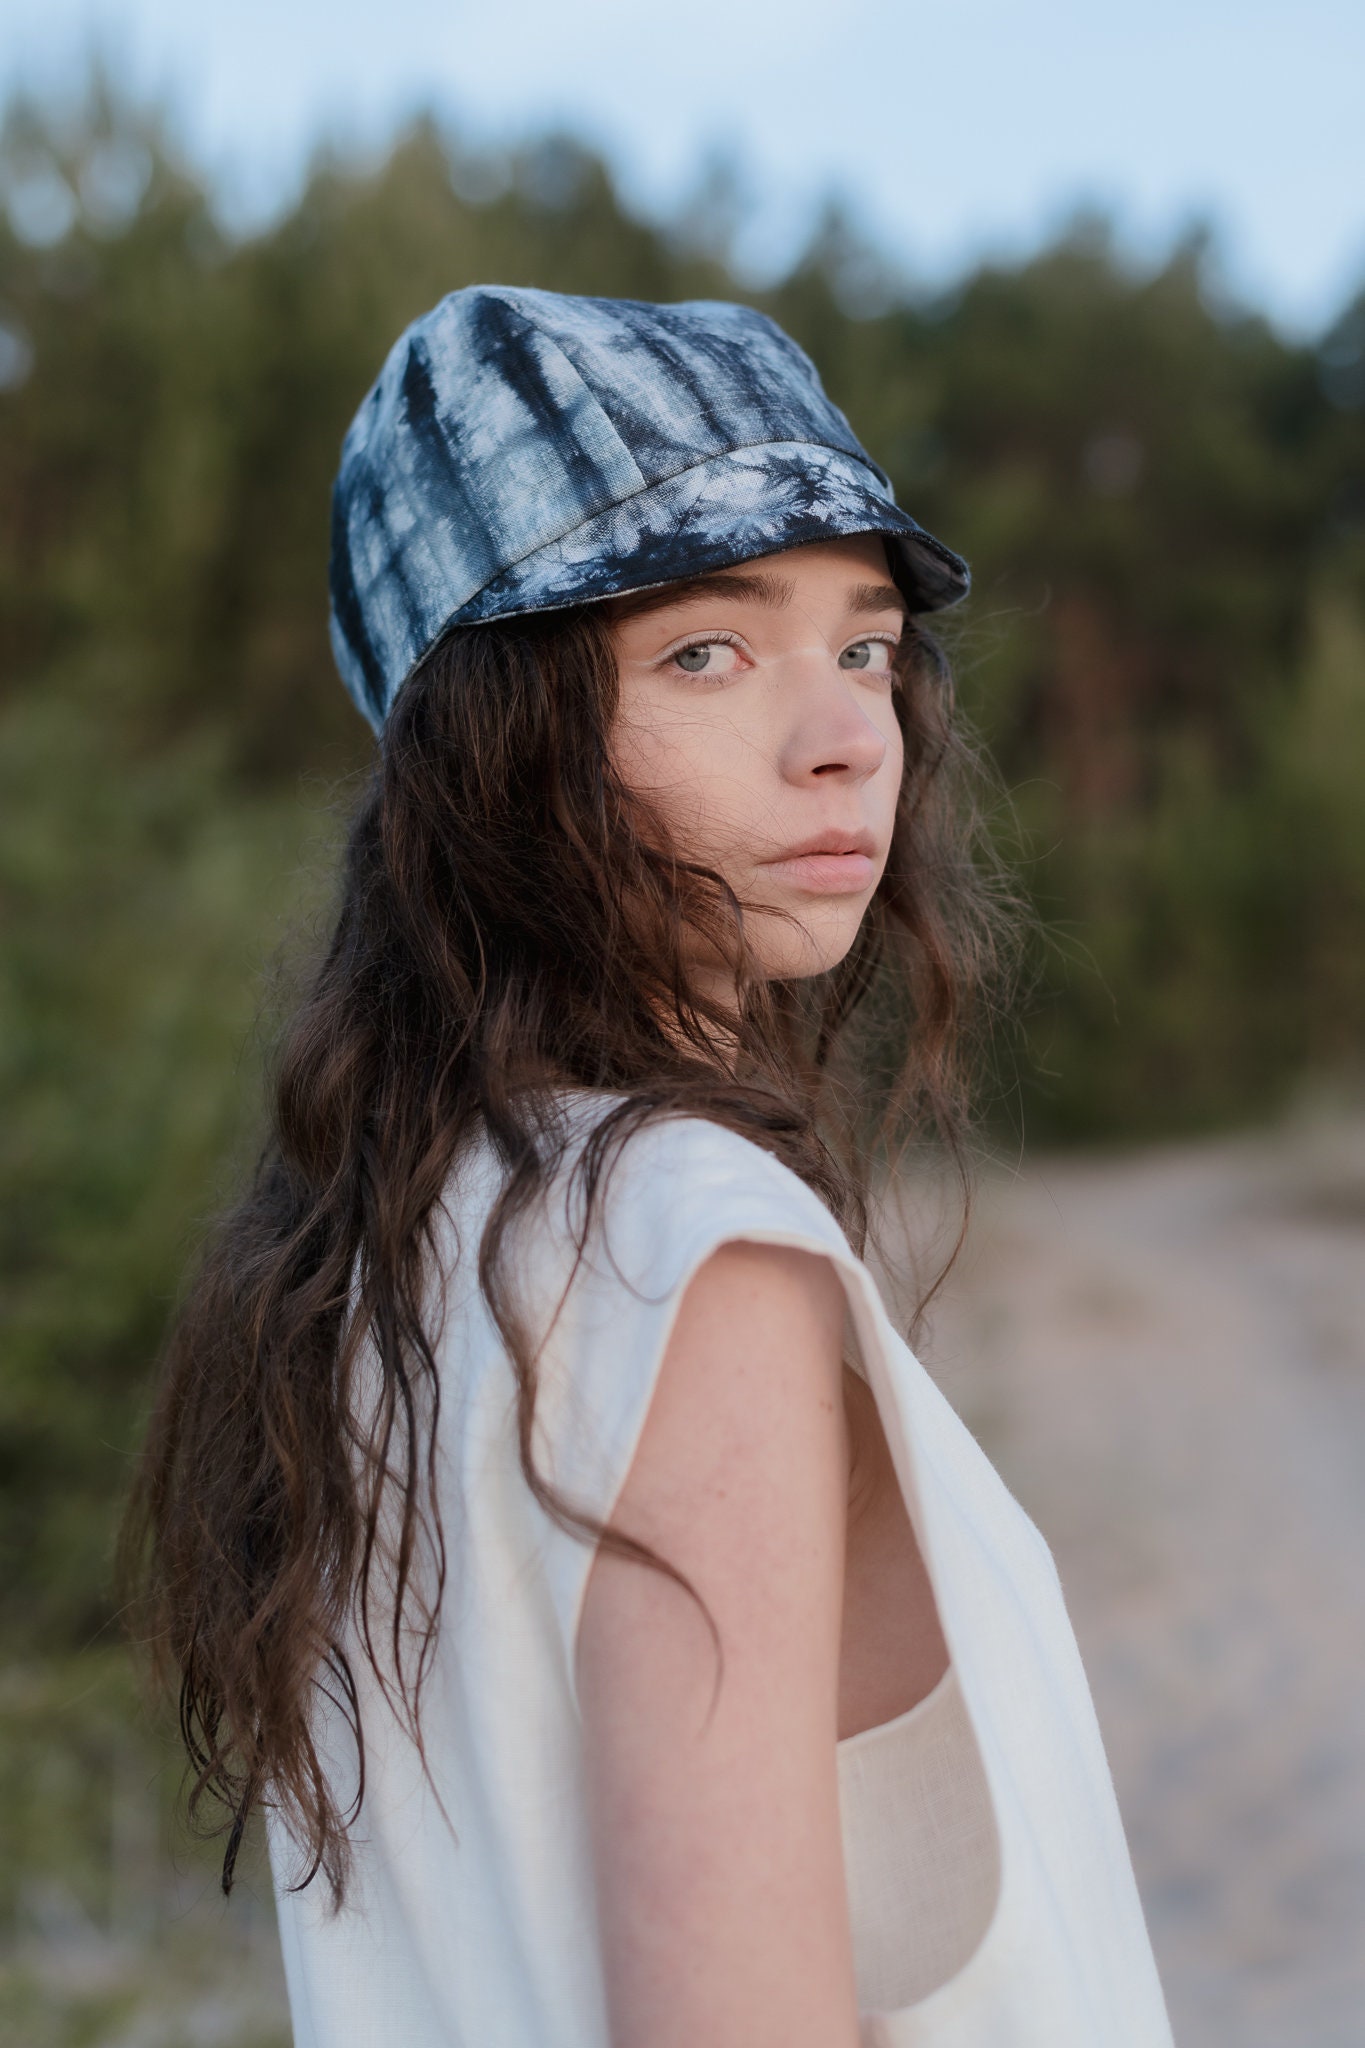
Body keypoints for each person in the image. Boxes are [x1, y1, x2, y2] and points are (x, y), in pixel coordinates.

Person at [126, 286, 1174, 2047]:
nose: (848, 731)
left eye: (861, 646)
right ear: (493, 755)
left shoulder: (395, 1248)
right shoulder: (694, 1255)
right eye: (704, 651)